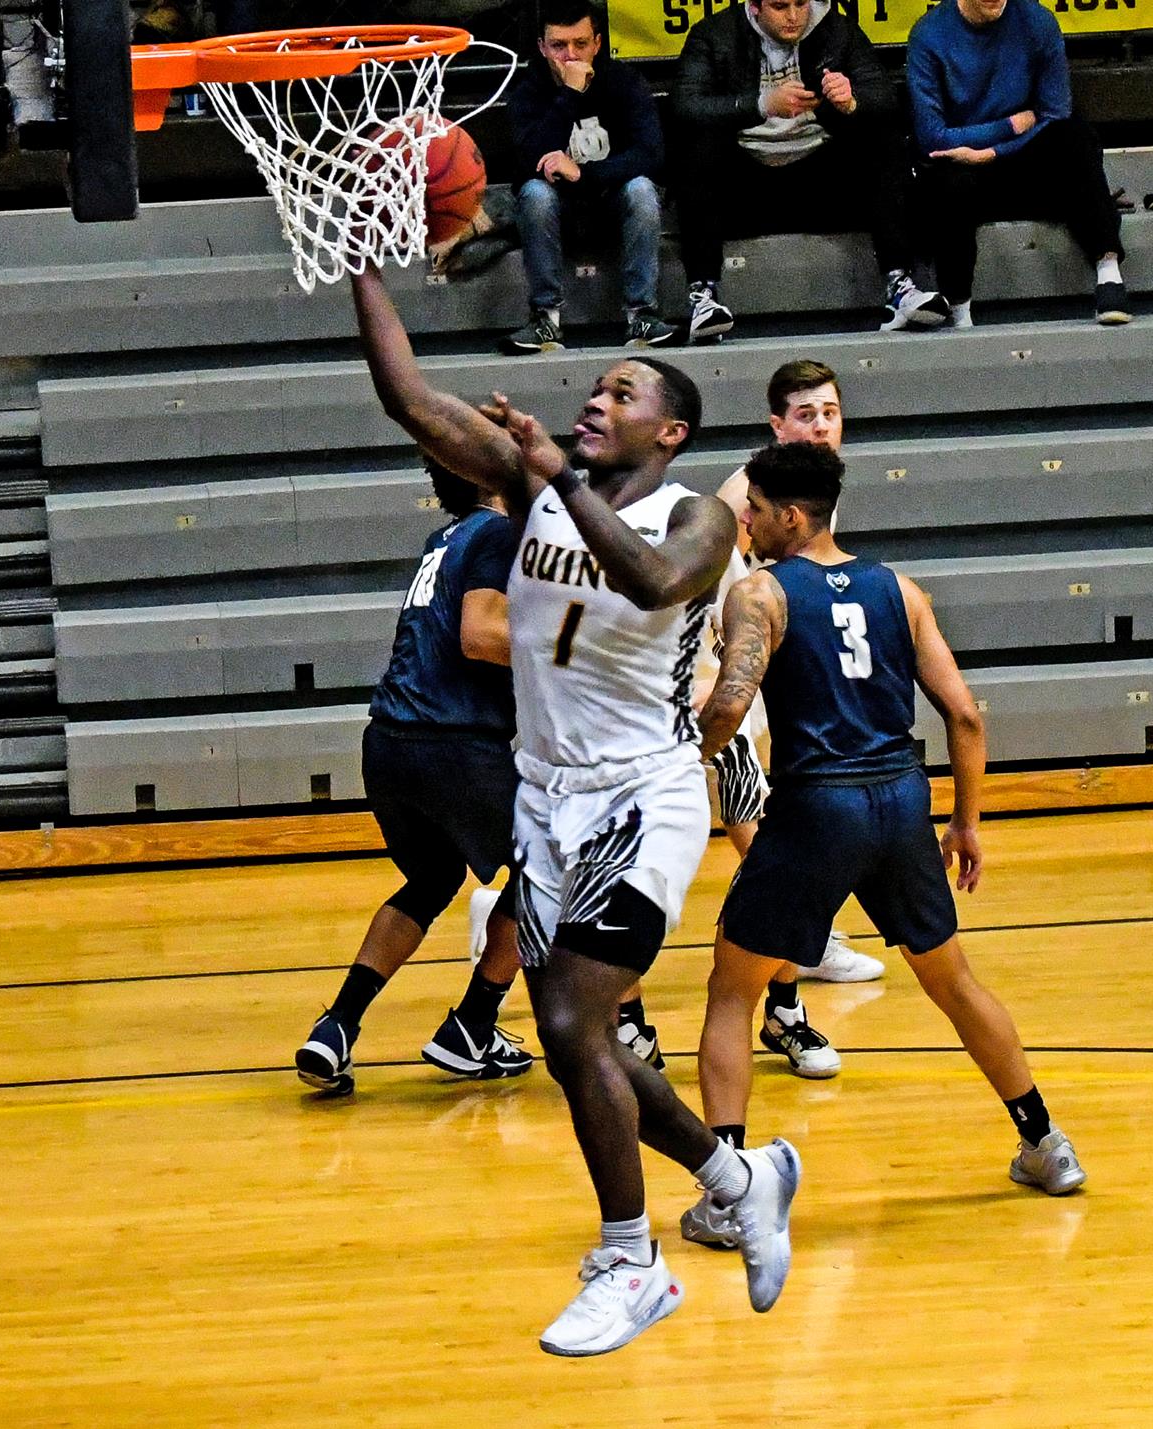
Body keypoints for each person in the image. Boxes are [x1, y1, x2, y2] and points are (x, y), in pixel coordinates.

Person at [351, 265, 800, 1358]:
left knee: (562, 1021)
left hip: (642, 798)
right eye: (593, 387)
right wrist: (360, 261)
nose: (595, 400)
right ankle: (737, 1175)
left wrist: (558, 478)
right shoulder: (533, 481)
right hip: (544, 798)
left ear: (671, 430)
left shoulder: (697, 519)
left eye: (621, 391)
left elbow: (650, 583)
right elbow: (410, 398)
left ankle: (628, 1261)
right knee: (580, 1041)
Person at [684, 439, 1085, 1244]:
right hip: (902, 801)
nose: (746, 528)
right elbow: (965, 714)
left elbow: (729, 706)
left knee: (733, 989)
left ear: (790, 516)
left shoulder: (760, 593)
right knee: (953, 980)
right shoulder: (900, 591)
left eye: (754, 512)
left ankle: (729, 1197)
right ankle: (1047, 1143)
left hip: (818, 805)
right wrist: (966, 821)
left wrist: (676, 754)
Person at [613, 359, 886, 1088]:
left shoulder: (810, 493)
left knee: (769, 857)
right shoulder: (743, 498)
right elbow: (699, 583)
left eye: (830, 411)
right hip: (697, 701)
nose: (822, 424)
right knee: (651, 859)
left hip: (740, 698)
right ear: (776, 423)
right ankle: (632, 1019)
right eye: (807, 414)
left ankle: (785, 1003)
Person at [295, 458, 534, 1095]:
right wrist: (579, 647)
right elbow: (481, 636)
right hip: (452, 744)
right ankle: (474, 1026)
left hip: (389, 743)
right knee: (549, 868)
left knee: (431, 880)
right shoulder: (498, 533)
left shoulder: (445, 539)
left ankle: (336, 1024)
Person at [670, 0, 949, 343]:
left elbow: (883, 96)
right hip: (745, 178)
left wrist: (851, 101)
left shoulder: (835, 29)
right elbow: (684, 106)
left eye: (802, 4)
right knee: (696, 150)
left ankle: (900, 286)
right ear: (755, 7)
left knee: (884, 141)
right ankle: (704, 295)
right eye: (780, 6)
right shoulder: (714, 35)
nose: (793, 16)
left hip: (817, 171)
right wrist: (761, 105)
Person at [906, 0, 1131, 328]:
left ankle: (1109, 274)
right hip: (961, 166)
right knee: (948, 182)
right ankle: (959, 310)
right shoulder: (928, 34)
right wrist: (1007, 127)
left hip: (1016, 160)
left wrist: (993, 152)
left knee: (1075, 136)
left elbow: (1055, 111)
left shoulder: (1037, 21)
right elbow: (931, 136)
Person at [501, 0, 676, 355]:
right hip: (556, 214)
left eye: (581, 44)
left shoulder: (624, 82)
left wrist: (583, 173)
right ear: (541, 47)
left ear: (597, 43)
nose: (570, 55)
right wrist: (569, 94)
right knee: (535, 193)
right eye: (559, 46)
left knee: (642, 189)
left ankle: (641, 313)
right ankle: (545, 317)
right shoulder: (526, 94)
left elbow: (651, 155)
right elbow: (527, 165)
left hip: (612, 204)